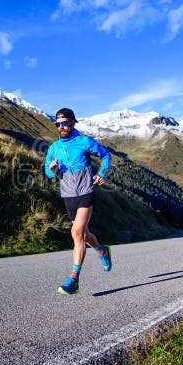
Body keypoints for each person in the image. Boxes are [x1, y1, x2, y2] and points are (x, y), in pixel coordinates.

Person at [44, 108, 112, 295]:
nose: (61, 127)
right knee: (84, 235)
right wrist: (54, 169)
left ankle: (74, 280)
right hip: (68, 195)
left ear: (73, 123)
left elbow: (106, 155)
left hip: (85, 191)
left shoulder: (84, 142)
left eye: (64, 123)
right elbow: (48, 173)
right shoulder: (54, 148)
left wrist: (102, 173)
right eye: (57, 124)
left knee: (76, 233)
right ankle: (102, 250)